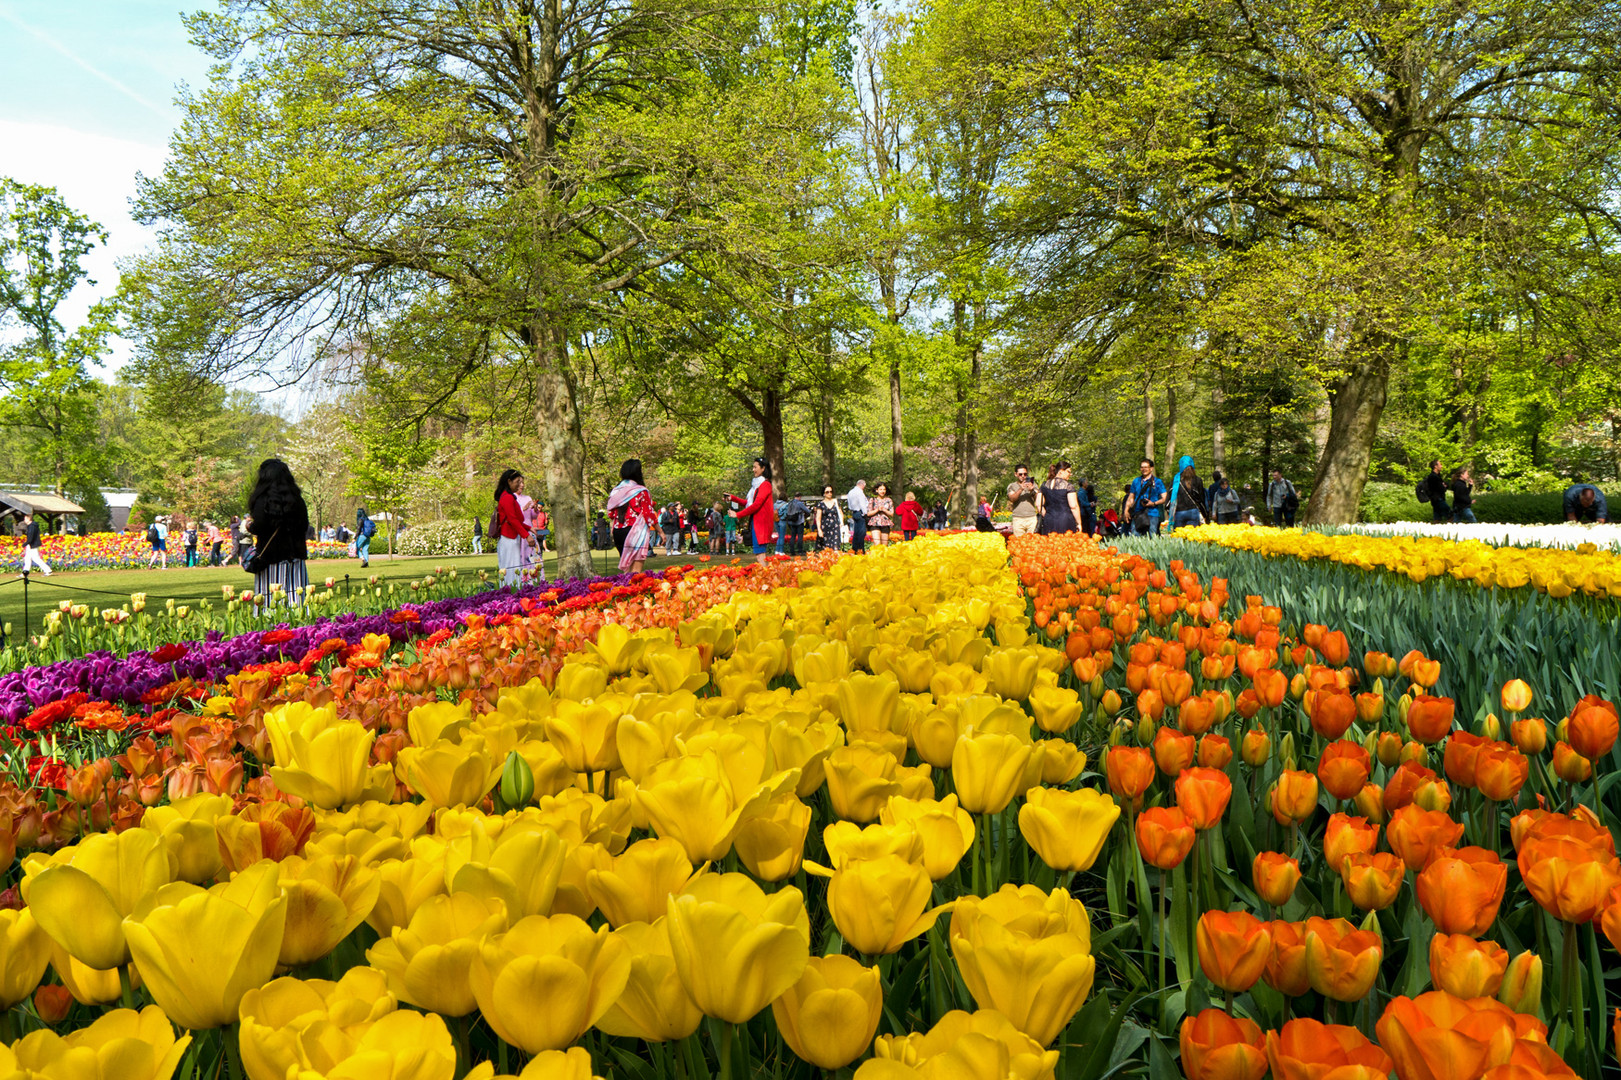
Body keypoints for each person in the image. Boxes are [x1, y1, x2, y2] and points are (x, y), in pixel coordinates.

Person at [247, 459, 311, 607]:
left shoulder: (263, 500)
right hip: (295, 557)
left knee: (270, 601)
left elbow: (261, 525)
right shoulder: (297, 500)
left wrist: (251, 527)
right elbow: (304, 526)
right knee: (297, 599)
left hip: (270, 558)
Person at [604, 459, 656, 572]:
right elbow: (648, 514)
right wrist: (661, 532)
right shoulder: (641, 491)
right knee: (636, 572)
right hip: (635, 532)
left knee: (627, 570)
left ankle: (625, 589)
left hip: (619, 532)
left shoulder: (615, 491)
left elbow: (611, 514)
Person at [728, 457, 776, 564]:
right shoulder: (757, 485)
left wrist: (738, 514)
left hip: (761, 524)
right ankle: (766, 577)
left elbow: (756, 505)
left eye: (755, 467)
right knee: (759, 554)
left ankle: (766, 578)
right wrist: (733, 498)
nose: (753, 470)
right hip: (756, 523)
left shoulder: (765, 485)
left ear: (763, 468)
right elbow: (748, 503)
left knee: (760, 555)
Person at [491, 468, 532, 587]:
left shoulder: (507, 496)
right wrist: (527, 536)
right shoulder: (507, 498)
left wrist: (529, 528)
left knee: (513, 567)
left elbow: (515, 520)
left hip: (511, 537)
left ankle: (512, 590)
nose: (520, 485)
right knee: (511, 567)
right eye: (517, 482)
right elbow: (512, 519)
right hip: (509, 538)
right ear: (509, 481)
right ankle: (511, 592)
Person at [1037, 461, 1081, 534]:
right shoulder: (1068, 486)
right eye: (1068, 472)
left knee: (1050, 543)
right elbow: (1074, 506)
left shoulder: (1044, 485)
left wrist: (1047, 515)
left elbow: (1038, 505)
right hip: (1065, 521)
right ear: (1061, 471)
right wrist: (1079, 523)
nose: (1070, 474)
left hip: (1049, 520)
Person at [1126, 459, 1168, 535]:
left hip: (1152, 513)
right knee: (1135, 537)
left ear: (1151, 468)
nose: (1143, 469)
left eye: (1146, 467)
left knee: (1152, 538)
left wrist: (1153, 503)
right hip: (1138, 513)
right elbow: (1131, 497)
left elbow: (1165, 498)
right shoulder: (1136, 481)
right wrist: (1126, 510)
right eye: (1142, 467)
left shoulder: (1157, 482)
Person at [1168, 455, 1208, 532]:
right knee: (1192, 536)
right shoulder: (1197, 480)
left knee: (1179, 536)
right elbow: (1201, 499)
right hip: (1193, 511)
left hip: (1179, 512)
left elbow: (1170, 498)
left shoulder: (1176, 481)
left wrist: (1169, 512)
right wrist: (1204, 514)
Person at [1007, 466, 1040, 535]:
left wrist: (1032, 491)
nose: (1023, 476)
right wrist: (1021, 489)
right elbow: (1012, 499)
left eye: (1025, 474)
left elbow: (1038, 499)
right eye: (1020, 474)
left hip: (1031, 518)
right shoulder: (1012, 486)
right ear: (1016, 474)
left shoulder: (1033, 485)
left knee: (1033, 542)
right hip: (1018, 518)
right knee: (1019, 543)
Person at [815, 485, 844, 551]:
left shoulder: (836, 502)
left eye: (831, 491)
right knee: (825, 549)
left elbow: (841, 513)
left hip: (835, 527)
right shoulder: (821, 504)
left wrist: (841, 523)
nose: (829, 493)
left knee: (836, 547)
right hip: (825, 528)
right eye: (827, 492)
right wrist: (819, 529)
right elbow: (818, 518)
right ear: (824, 493)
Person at [846, 480, 869, 553]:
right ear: (862, 485)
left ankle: (854, 549)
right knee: (861, 532)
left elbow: (849, 504)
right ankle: (860, 549)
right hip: (860, 512)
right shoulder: (859, 492)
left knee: (856, 532)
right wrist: (865, 513)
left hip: (854, 512)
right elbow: (862, 503)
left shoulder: (850, 492)